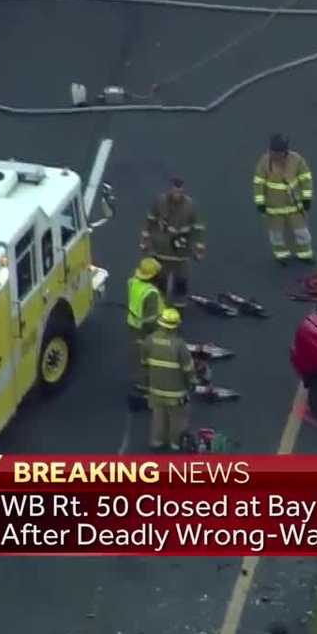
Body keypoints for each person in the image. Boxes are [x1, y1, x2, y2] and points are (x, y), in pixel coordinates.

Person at [140, 178, 205, 309]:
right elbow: (150, 220)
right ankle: (159, 303)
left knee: (181, 279)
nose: (177, 194)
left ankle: (179, 305)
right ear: (170, 190)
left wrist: (199, 247)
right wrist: (145, 241)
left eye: (179, 192)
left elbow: (198, 227)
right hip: (161, 249)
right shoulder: (160, 202)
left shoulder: (190, 206)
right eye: (175, 191)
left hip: (181, 251)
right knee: (161, 278)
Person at [253, 134, 315, 265]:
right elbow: (258, 183)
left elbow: (306, 178)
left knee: (301, 232)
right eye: (273, 151)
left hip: (294, 205)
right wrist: (260, 203)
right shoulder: (264, 162)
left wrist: (307, 199)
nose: (274, 155)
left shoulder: (296, 160)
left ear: (285, 152)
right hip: (274, 208)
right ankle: (281, 255)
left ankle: (305, 254)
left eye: (278, 152)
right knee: (276, 234)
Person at [142, 308, 198, 451]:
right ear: (176, 326)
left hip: (155, 390)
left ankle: (157, 442)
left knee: (158, 417)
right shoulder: (179, 345)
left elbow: (144, 363)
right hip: (176, 393)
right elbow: (188, 369)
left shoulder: (149, 340)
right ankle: (175, 443)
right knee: (177, 419)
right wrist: (192, 382)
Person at [126, 257, 163, 407]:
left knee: (140, 356)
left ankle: (141, 382)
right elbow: (151, 318)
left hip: (133, 325)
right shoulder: (151, 293)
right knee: (149, 358)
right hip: (146, 330)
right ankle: (147, 386)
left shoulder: (132, 282)